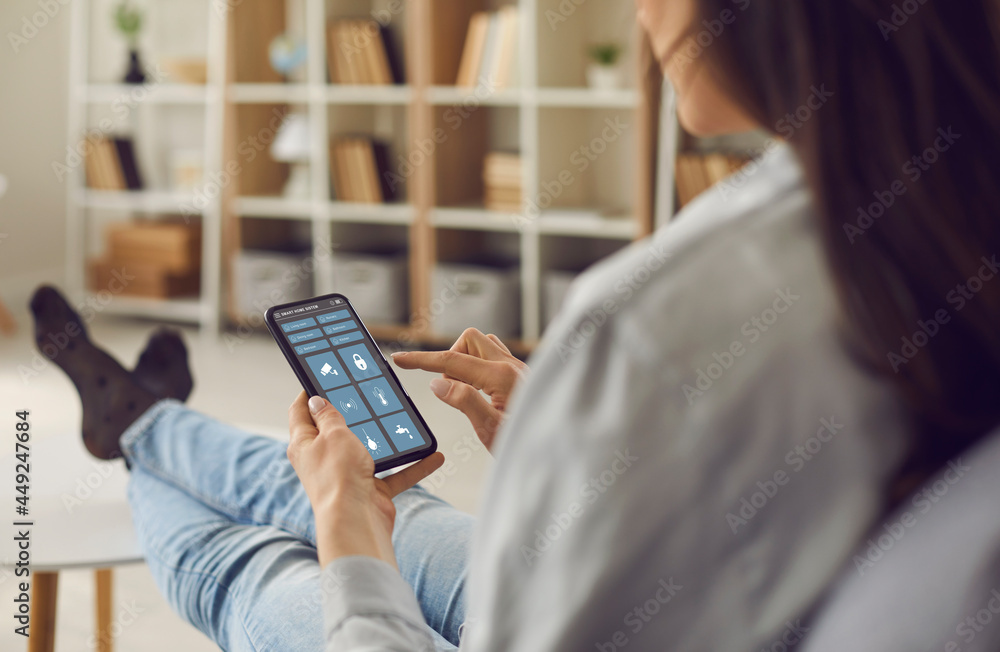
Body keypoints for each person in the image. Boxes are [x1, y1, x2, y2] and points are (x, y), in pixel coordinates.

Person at [31, 0, 1000, 649]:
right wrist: (582, 437)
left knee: (245, 560)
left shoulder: (659, 327)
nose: (638, 9)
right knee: (350, 495)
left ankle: (134, 427)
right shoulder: (936, 216)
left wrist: (351, 555)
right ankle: (150, 415)